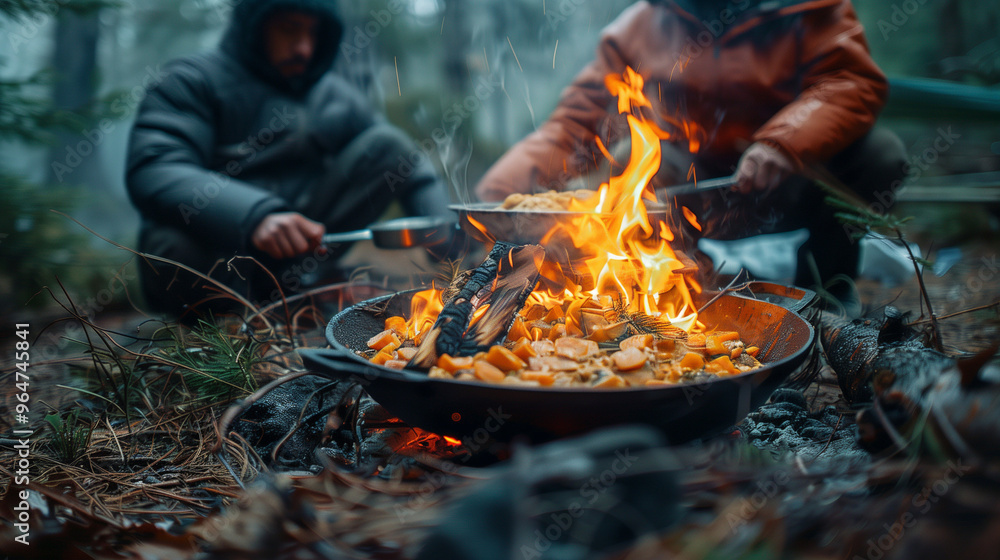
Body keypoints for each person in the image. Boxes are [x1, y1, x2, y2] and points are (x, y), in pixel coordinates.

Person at [475, 0, 907, 292]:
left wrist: (783, 143)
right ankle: (683, 288)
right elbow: (575, 121)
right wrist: (496, 196)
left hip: (791, 180)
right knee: (630, 157)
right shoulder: (641, 26)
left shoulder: (810, 9)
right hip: (690, 195)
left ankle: (825, 293)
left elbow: (851, 82)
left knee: (882, 154)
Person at [127, 0, 454, 316]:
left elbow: (408, 165)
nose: (304, 49)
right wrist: (255, 216)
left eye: (314, 34)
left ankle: (301, 290)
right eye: (289, 30)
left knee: (386, 145)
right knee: (171, 244)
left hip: (301, 256)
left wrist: (448, 237)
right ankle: (233, 314)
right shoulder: (189, 81)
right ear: (254, 26)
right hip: (218, 258)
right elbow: (155, 167)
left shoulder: (333, 96)